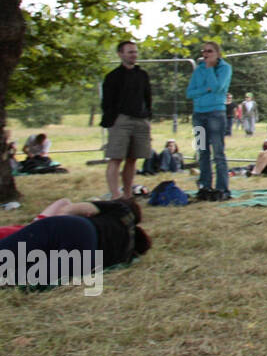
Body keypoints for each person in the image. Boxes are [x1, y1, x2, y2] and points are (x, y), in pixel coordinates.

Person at [0, 197, 150, 287]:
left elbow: (67, 209)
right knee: (16, 277)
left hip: (78, 229)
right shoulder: (126, 255)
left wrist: (42, 222)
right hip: (83, 262)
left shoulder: (122, 210)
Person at [101, 39, 152, 200]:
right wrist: (113, 120)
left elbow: (148, 97)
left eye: (135, 52)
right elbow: (107, 102)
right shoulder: (112, 77)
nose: (134, 55)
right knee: (116, 158)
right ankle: (116, 195)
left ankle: (128, 194)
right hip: (121, 120)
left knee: (133, 158)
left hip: (140, 120)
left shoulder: (142, 75)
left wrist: (148, 116)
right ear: (120, 54)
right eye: (130, 52)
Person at [186, 41, 232, 202]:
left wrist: (210, 68)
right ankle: (204, 186)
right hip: (198, 114)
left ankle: (222, 188)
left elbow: (218, 87)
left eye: (210, 51)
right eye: (204, 51)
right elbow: (190, 93)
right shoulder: (198, 69)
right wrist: (205, 90)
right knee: (202, 151)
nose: (206, 54)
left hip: (215, 113)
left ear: (217, 53)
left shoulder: (225, 68)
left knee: (218, 153)